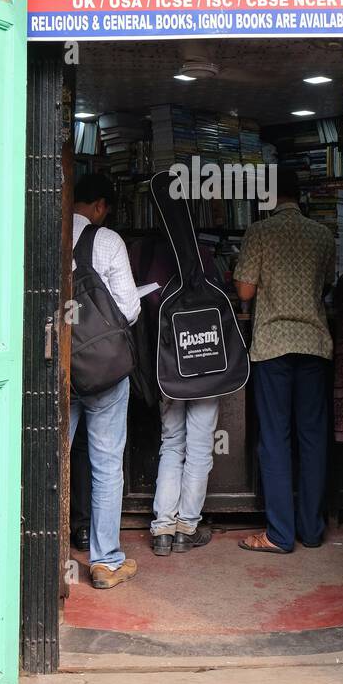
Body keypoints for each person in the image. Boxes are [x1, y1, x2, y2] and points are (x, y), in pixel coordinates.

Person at [234, 167, 335, 554]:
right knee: (313, 437)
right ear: (300, 196)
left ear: (269, 197)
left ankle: (278, 534)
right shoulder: (323, 235)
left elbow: (244, 290)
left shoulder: (260, 232)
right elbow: (325, 283)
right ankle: (311, 530)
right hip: (314, 343)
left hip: (273, 345)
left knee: (275, 438)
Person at [71, 173, 141, 589]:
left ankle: (44, 556)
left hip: (59, 368)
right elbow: (130, 309)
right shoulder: (108, 240)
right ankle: (105, 562)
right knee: (106, 464)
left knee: (54, 461)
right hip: (104, 372)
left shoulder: (46, 233)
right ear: (98, 207)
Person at [136, 230, 222, 557]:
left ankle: (162, 529)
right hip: (205, 366)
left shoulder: (145, 254)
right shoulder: (203, 253)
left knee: (171, 443)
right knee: (200, 447)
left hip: (168, 366)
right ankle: (187, 528)